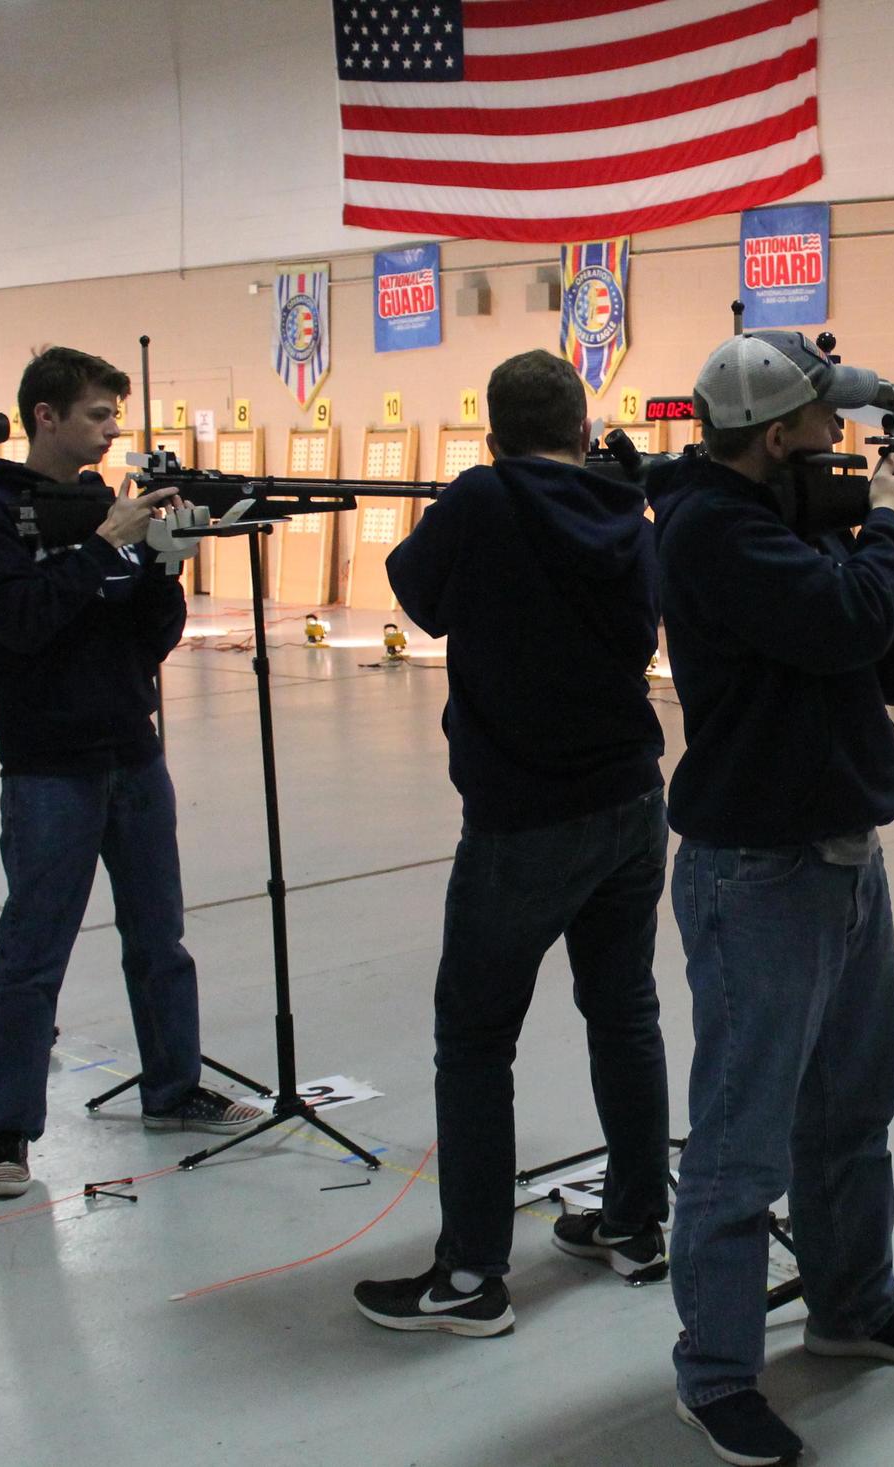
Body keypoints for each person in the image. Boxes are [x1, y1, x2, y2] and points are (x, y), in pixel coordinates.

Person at [652, 331, 894, 1466]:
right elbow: (842, 618)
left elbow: (877, 665)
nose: (843, 440)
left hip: (837, 853)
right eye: (827, 424)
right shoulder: (709, 527)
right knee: (747, 1144)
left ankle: (852, 1306)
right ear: (779, 432)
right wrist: (888, 523)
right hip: (758, 869)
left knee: (852, 1111)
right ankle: (715, 1374)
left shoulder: (785, 523)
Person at [353, 349, 671, 1338]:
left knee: (475, 1041)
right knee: (623, 1010)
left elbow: (415, 592)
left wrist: (475, 493)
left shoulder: (483, 499)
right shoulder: (629, 509)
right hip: (627, 797)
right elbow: (645, 630)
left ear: (491, 436)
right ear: (581, 428)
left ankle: (470, 1276)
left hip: (524, 814)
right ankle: (635, 1220)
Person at [0, 346, 254, 1199]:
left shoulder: (101, 507)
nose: (111, 429)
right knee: (32, 950)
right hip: (51, 763)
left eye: (114, 415)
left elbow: (145, 639)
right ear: (45, 416)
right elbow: (17, 626)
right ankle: (7, 1129)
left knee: (159, 936)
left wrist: (166, 564)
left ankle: (173, 1085)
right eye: (95, 414)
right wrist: (100, 549)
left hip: (133, 750)